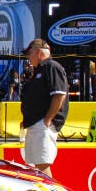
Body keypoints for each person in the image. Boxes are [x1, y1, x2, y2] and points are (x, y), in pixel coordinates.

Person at [20, 39, 68, 177]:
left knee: (42, 165)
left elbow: (59, 95)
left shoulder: (51, 66)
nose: (28, 57)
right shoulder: (39, 70)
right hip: (36, 123)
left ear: (39, 52)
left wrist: (48, 119)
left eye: (29, 53)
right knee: (37, 165)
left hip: (43, 124)